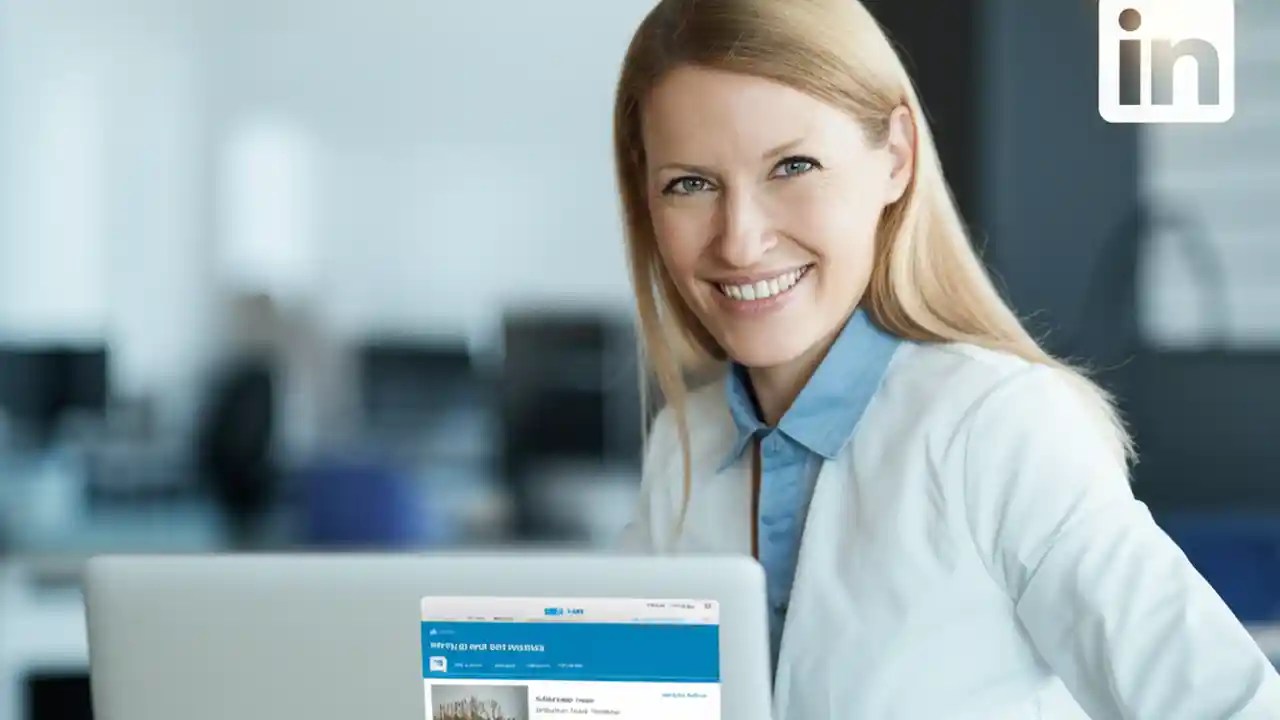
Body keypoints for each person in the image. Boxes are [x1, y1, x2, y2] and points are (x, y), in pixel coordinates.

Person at [611, 0, 1280, 718]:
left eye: (793, 166)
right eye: (690, 184)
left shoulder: (997, 426)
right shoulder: (683, 447)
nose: (740, 241)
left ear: (896, 157)